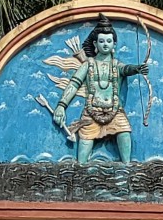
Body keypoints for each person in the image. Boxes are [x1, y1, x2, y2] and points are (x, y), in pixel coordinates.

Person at [52, 13, 149, 165]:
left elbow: (127, 69)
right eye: (101, 41)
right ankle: (80, 173)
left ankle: (127, 170)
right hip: (91, 112)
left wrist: (137, 69)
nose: (105, 44)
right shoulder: (87, 65)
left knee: (124, 133)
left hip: (115, 110)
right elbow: (73, 84)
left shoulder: (117, 65)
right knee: (83, 150)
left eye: (109, 41)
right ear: (95, 45)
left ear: (114, 44)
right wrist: (61, 106)